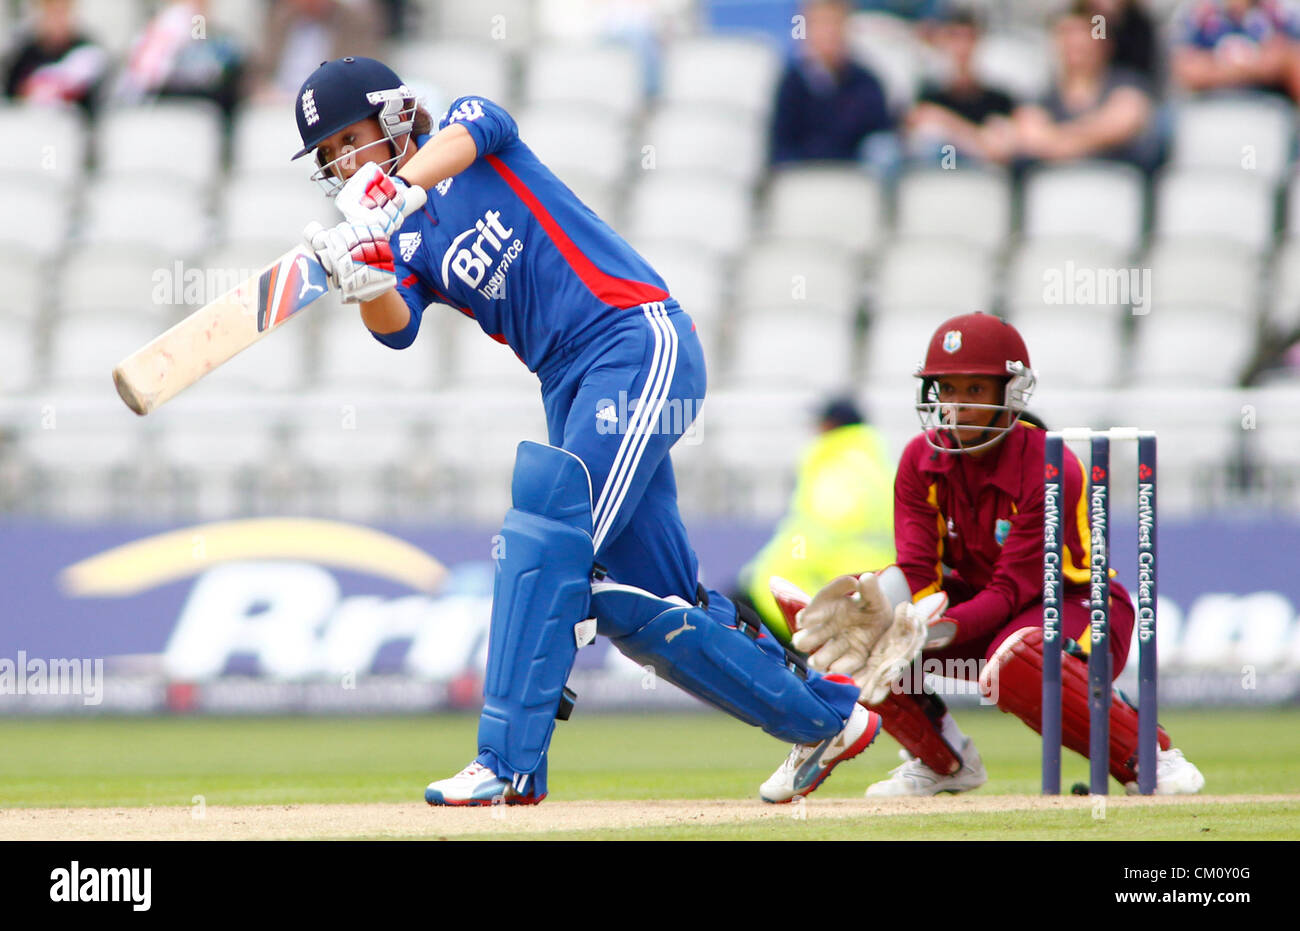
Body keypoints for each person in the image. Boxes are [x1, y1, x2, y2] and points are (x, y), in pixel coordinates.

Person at [289, 56, 877, 806]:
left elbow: (479, 128)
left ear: (395, 115)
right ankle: (825, 717)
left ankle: (506, 762)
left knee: (548, 546)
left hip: (633, 338)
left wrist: (396, 191)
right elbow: (396, 331)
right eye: (329, 156)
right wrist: (367, 282)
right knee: (648, 601)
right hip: (569, 386)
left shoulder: (471, 134)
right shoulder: (406, 241)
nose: (342, 163)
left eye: (349, 139)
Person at [758, 312, 1206, 798]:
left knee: (1017, 659)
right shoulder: (919, 460)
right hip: (982, 613)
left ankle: (1150, 757)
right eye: (947, 389)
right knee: (867, 631)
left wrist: (921, 628)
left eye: (975, 390)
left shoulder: (1052, 466)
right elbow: (917, 572)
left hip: (1078, 609)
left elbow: (1010, 590)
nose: (958, 405)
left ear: (1011, 392)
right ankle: (943, 764)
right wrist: (891, 618)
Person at [735, 397, 895, 644]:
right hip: (870, 593)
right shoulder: (881, 467)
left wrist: (774, 574)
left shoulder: (836, 465)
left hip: (818, 594)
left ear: (831, 426)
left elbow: (819, 533)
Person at [1007, 2, 1160, 172]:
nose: (1076, 43)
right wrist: (1092, 139)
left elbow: (1122, 123)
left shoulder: (1128, 86)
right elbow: (1031, 136)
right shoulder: (1040, 96)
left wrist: (1055, 140)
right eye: (1067, 34)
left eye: (1085, 34)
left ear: (1105, 43)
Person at [770, 0, 894, 165]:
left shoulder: (867, 83)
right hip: (806, 178)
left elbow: (881, 136)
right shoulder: (793, 85)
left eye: (834, 24)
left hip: (857, 178)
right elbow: (782, 146)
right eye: (821, 25)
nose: (828, 33)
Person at [905, 7, 1015, 165]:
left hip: (983, 177)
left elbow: (999, 150)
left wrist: (947, 124)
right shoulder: (928, 95)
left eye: (969, 38)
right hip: (942, 173)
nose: (962, 48)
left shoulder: (998, 101)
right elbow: (918, 125)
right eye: (955, 38)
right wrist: (978, 139)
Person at [1172, 0, 1300, 102]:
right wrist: (1252, 68)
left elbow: (1290, 61)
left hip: (1269, 104)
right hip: (1210, 106)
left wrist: (1216, 67)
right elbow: (1187, 70)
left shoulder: (1278, 12)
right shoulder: (1198, 12)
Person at [2, 0, 109, 116]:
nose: (57, 21)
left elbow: (96, 100)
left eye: (62, 13)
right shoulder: (24, 53)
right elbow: (11, 95)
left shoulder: (87, 52)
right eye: (52, 14)